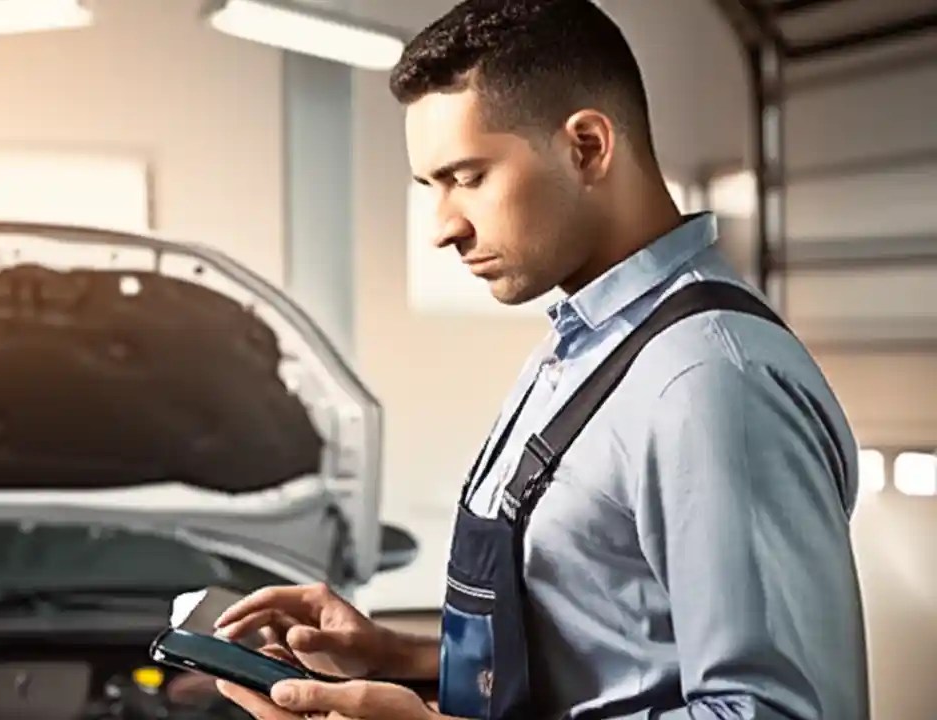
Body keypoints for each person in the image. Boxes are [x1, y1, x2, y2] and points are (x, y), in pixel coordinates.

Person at [212, 0, 870, 718]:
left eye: (468, 177)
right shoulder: (585, 342)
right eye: (431, 188)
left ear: (587, 147)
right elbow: (603, 651)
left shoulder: (709, 381)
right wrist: (398, 658)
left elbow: (779, 712)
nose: (443, 228)